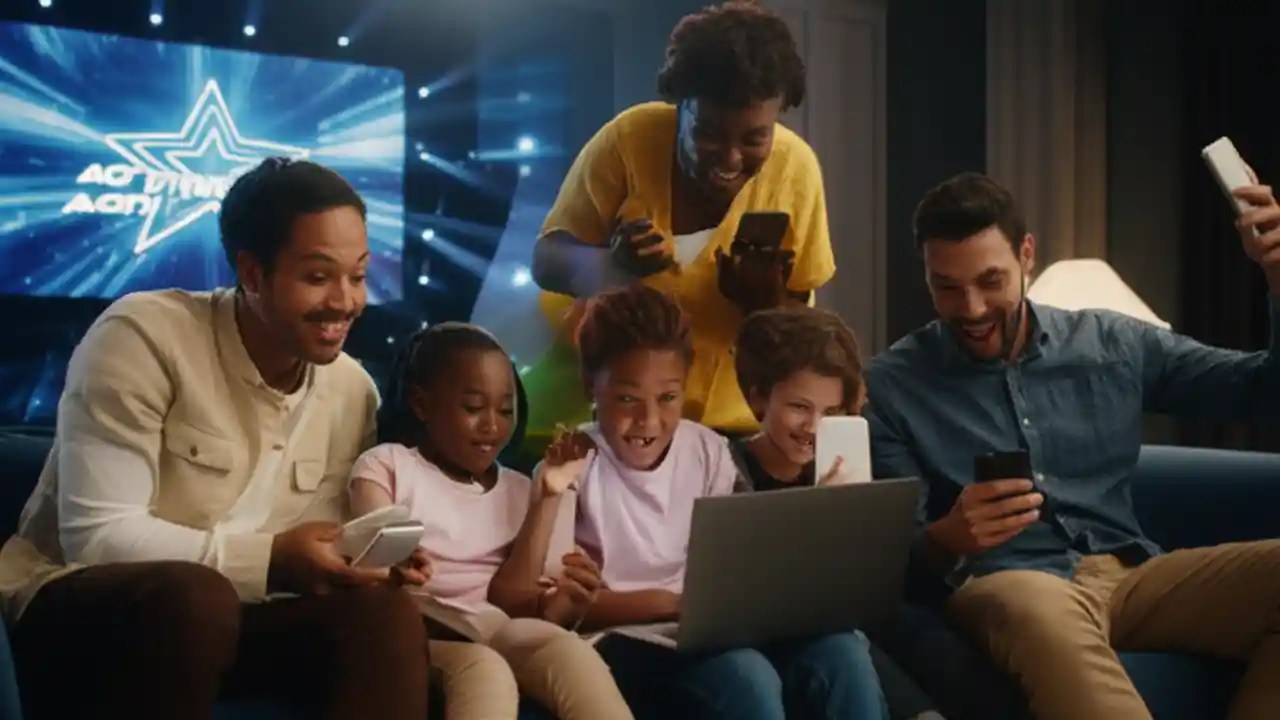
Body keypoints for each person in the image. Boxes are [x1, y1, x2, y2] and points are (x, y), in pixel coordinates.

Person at [0, 158, 430, 720]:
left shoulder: (352, 389)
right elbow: (96, 539)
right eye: (319, 276)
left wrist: (364, 560)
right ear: (251, 273)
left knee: (385, 613)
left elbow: (317, 547)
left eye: (357, 275)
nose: (346, 301)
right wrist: (272, 558)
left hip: (244, 615)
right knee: (196, 597)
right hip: (80, 607)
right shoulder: (143, 336)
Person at [864, 171, 1280, 720]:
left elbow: (1261, 392)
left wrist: (1276, 276)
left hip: (1133, 575)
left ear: (1027, 255)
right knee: (1037, 609)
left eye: (991, 281)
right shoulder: (893, 385)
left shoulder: (1111, 342)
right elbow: (894, 563)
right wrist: (948, 538)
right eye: (946, 286)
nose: (970, 308)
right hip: (1009, 582)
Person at [491, 283, 889, 720]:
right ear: (591, 385)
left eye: (668, 398)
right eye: (627, 399)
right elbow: (564, 607)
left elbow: (739, 572)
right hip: (626, 640)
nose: (649, 420)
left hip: (713, 631)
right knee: (746, 677)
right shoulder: (572, 463)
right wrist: (670, 602)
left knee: (842, 652)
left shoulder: (708, 451)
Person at [528, 0, 835, 435]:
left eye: (754, 138)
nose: (729, 159)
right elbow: (546, 261)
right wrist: (616, 267)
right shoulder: (630, 139)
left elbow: (804, 333)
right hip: (617, 418)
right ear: (679, 106)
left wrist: (764, 303)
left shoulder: (796, 168)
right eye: (707, 133)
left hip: (736, 426)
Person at [348, 322, 632, 719]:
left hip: (497, 624)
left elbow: (528, 606)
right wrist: (397, 560)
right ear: (421, 403)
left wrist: (564, 602)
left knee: (566, 649)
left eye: (505, 410)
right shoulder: (388, 465)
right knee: (485, 670)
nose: (492, 426)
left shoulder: (521, 488)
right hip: (419, 630)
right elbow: (371, 550)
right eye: (473, 408)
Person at [731, 305, 946, 720]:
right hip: (771, 635)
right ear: (759, 397)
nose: (813, 426)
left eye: (831, 413)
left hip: (842, 626)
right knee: (843, 648)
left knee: (901, 640)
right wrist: (811, 521)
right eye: (799, 407)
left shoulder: (848, 467)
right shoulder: (726, 468)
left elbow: (866, 593)